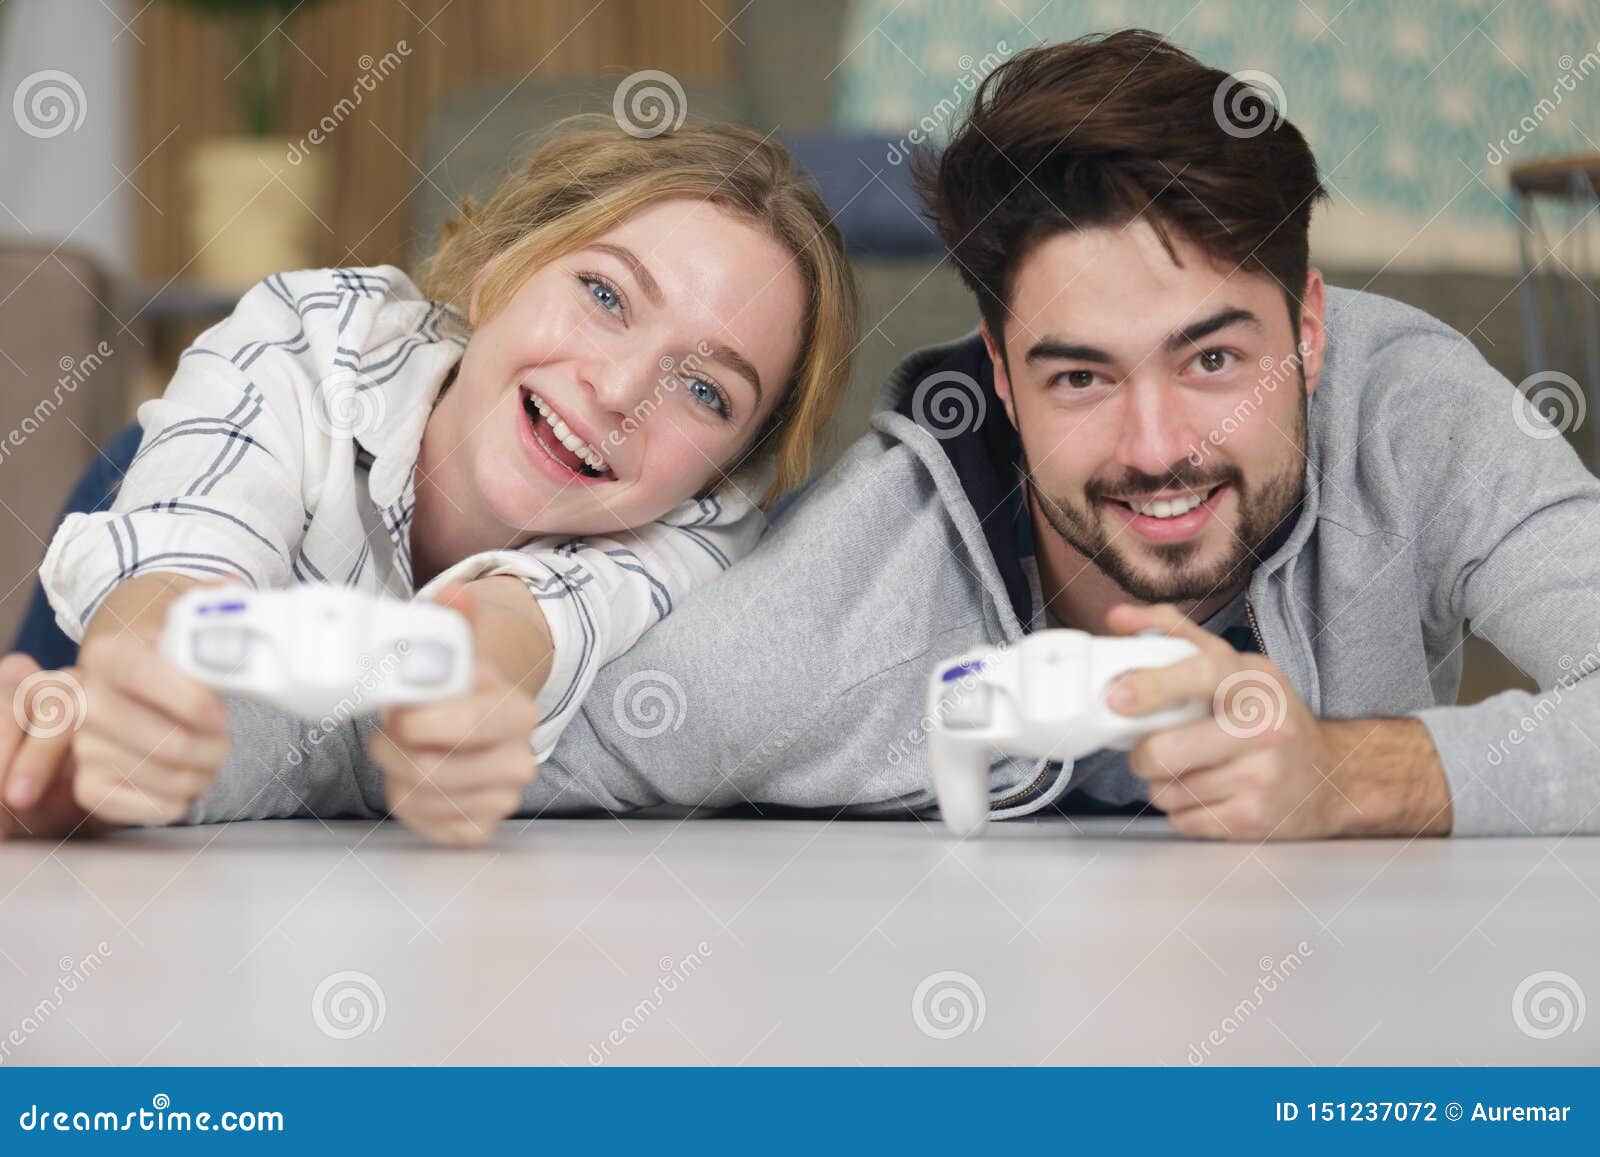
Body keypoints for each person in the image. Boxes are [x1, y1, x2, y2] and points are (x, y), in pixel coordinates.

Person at [511, 29, 1600, 840]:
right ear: (1000, 372)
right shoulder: (828, 606)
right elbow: (486, 758)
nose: (1156, 446)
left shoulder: (1411, 411)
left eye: (1212, 360)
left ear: (1309, 331)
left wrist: (1353, 774)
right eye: (1081, 375)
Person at [0, 117, 858, 846]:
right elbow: (187, 553)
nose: (621, 393)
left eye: (705, 391)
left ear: (727, 472)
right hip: (137, 523)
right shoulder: (315, 337)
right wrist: (134, 675)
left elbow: (540, 618)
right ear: (498, 271)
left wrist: (474, 688)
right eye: (605, 294)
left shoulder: (710, 528)